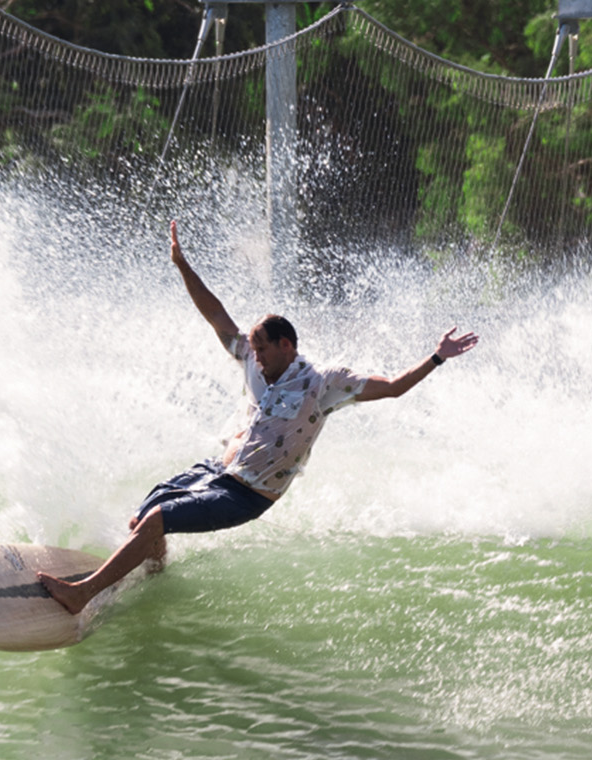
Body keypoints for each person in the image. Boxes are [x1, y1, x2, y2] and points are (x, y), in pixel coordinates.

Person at [38, 220, 479, 615]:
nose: (255, 356)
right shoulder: (253, 358)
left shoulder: (323, 384)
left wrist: (436, 357)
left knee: (157, 520)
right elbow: (215, 314)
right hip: (219, 470)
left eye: (263, 348)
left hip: (249, 495)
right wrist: (182, 265)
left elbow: (394, 386)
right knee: (146, 514)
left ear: (287, 345)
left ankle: (84, 595)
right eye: (254, 348)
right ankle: (151, 579)